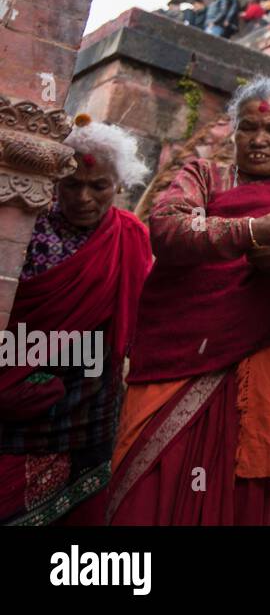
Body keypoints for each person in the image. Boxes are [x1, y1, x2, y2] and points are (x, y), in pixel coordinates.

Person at [108, 78, 270, 525]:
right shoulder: (204, 175)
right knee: (145, 496)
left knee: (248, 492)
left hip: (263, 360)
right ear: (233, 133)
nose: (258, 139)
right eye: (247, 127)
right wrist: (254, 230)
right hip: (176, 355)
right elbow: (166, 230)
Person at [0, 118, 152, 525]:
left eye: (98, 186)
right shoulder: (26, 228)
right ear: (56, 183)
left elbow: (138, 321)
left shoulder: (130, 237)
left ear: (118, 185)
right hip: (17, 379)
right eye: (72, 184)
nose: (84, 197)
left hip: (90, 397)